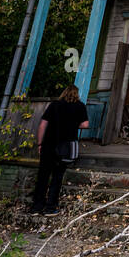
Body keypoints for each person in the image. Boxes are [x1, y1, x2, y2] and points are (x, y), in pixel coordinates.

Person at [30, 85, 89, 215]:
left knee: (43, 176)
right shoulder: (80, 106)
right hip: (65, 147)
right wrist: (73, 125)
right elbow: (85, 124)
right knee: (57, 176)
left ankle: (36, 207)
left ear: (64, 93)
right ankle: (51, 208)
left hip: (49, 145)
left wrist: (40, 143)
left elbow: (42, 125)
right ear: (77, 94)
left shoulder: (54, 105)